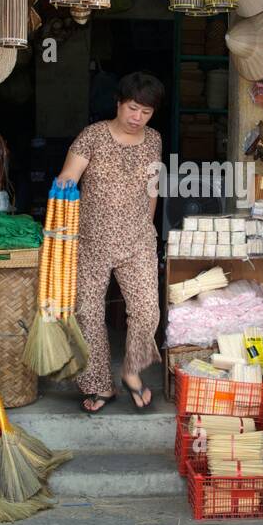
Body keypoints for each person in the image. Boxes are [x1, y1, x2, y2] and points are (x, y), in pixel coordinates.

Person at [56, 72, 165, 412]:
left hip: (137, 239)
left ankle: (132, 373)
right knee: (88, 312)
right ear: (119, 104)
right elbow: (67, 178)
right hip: (91, 240)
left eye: (146, 112)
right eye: (133, 108)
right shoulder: (93, 136)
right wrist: (62, 197)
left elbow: (152, 187)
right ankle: (99, 386)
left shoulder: (153, 140)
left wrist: (149, 227)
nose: (138, 118)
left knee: (147, 311)